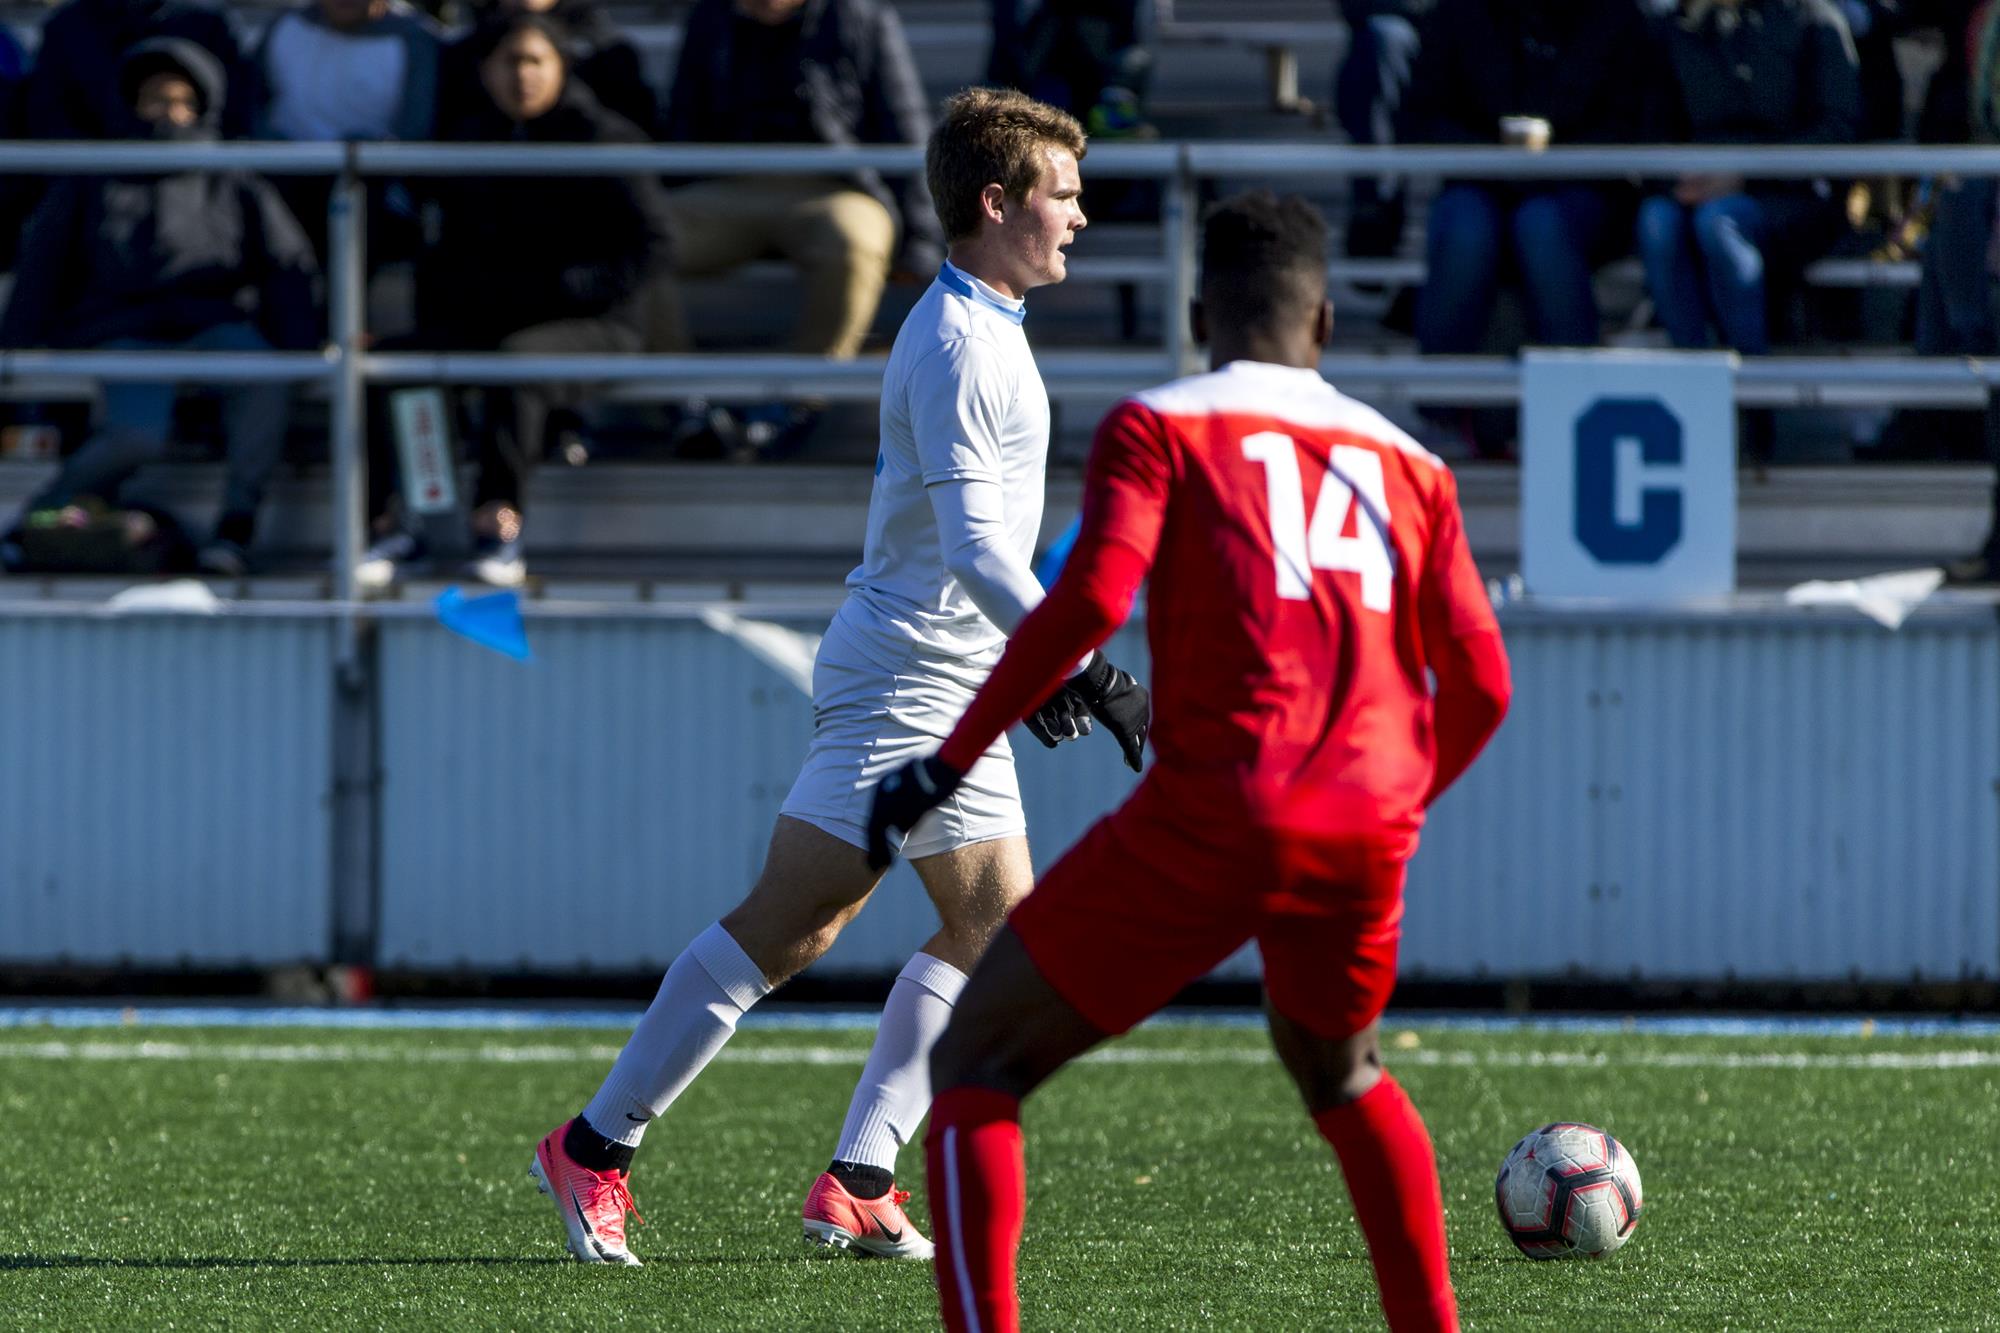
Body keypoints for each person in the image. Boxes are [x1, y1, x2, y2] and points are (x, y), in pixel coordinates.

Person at [865, 191, 1513, 1333]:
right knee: (1342, 1073)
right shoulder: (1412, 464)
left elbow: (1091, 601)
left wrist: (952, 753)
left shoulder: (1160, 424)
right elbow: (1482, 687)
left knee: (976, 1063)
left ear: (1202, 308)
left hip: (1216, 807)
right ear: (1321, 323)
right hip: (1364, 826)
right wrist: (1396, 808)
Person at [528, 87, 1151, 1267]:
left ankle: (859, 1179)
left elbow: (980, 553)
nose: (1078, 216)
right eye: (1061, 195)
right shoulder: (965, 341)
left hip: (950, 674)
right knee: (792, 926)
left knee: (991, 926)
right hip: (908, 676)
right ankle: (593, 1151)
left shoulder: (984, 320)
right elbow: (973, 555)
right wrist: (1083, 666)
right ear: (994, 202)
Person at [357, 14, 672, 588]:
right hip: (490, 316)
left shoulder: (607, 139)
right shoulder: (466, 140)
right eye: (508, 61)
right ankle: (396, 524)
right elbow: (441, 249)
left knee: (515, 363)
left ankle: (497, 525)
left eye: (534, 61)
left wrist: (568, 287)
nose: (521, 75)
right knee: (396, 368)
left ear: (561, 66)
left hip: (592, 324)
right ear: (484, 70)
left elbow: (651, 248)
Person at [0, 37, 320, 577]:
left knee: (267, 376)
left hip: (212, 322)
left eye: (180, 101)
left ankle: (235, 527)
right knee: (138, 432)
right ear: (129, 104)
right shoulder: (96, 175)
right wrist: (16, 343)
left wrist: (305, 343)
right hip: (121, 327)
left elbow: (285, 259)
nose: (167, 113)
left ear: (203, 106)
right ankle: (36, 519)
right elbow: (43, 260)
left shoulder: (233, 174)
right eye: (153, 100)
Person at [653, 0, 946, 452]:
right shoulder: (709, 18)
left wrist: (923, 244)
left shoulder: (860, 17)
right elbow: (683, 117)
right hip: (725, 182)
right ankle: (681, 402)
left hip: (835, 184)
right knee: (640, 241)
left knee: (853, 242)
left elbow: (903, 126)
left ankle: (796, 402)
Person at [1401, 0, 1652, 356]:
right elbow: (1420, 118)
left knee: (1540, 224)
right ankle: (1444, 397)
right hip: (1480, 184)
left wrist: (1551, 160)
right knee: (1466, 227)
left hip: (1584, 188)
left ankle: (1572, 390)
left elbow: (1628, 123)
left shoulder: (1615, 15)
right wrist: (1493, 155)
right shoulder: (1459, 11)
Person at [1635, 0, 1862, 357]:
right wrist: (1679, 181)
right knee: (1657, 220)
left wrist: (1744, 176)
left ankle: (1749, 386)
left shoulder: (1814, 19)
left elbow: (1837, 128)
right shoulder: (1675, 30)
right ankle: (1694, 373)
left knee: (1720, 223)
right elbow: (1652, 131)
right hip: (1699, 189)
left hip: (1792, 194)